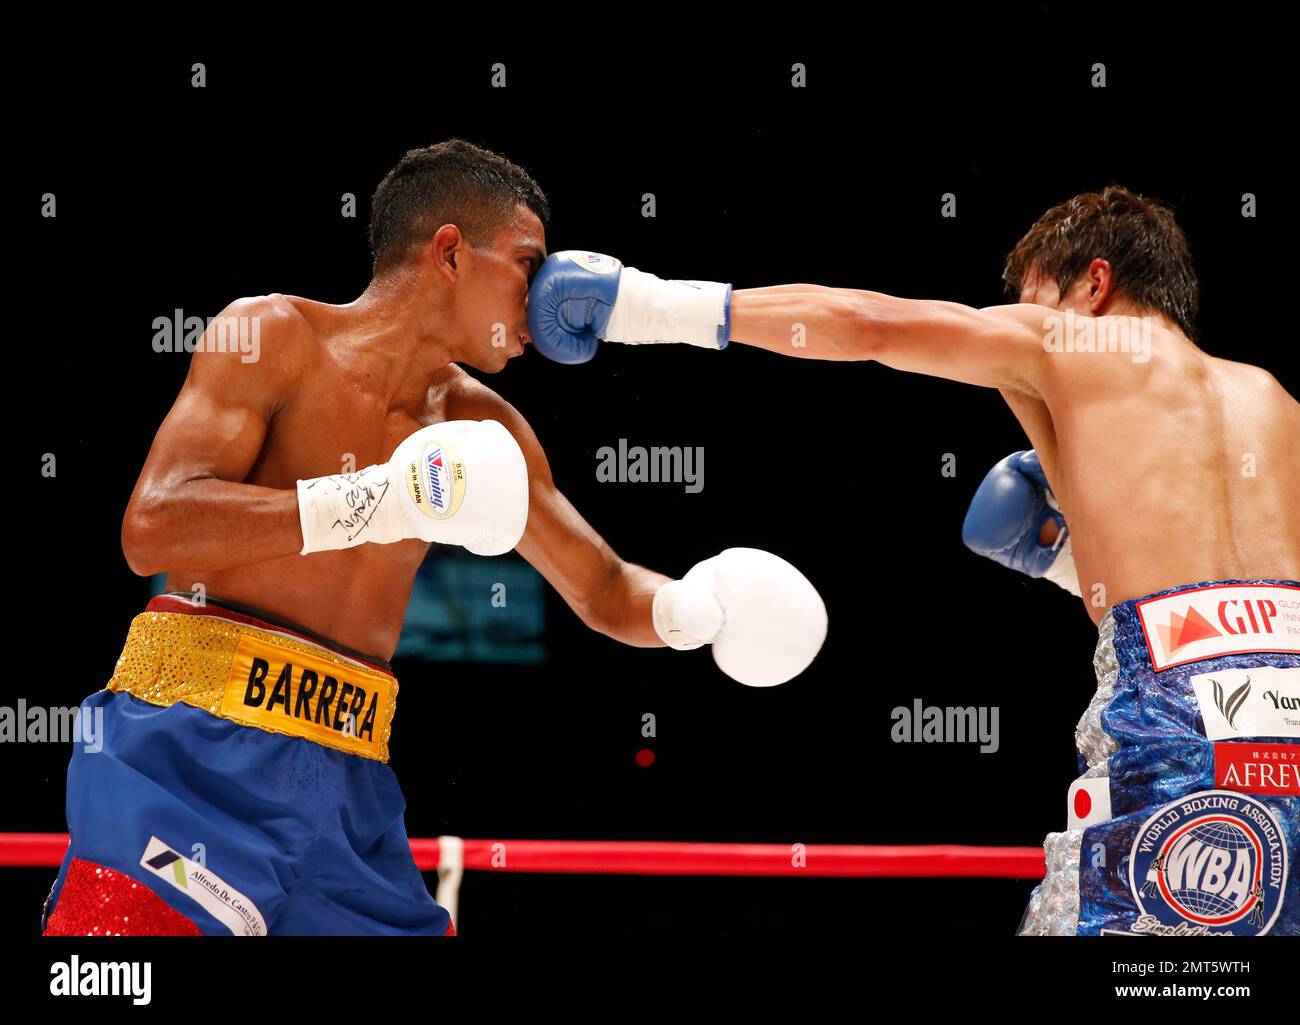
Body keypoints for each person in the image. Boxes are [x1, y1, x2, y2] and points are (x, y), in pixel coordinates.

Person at [41, 140, 827, 936]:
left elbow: (604, 588)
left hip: (349, 788)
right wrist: (377, 499)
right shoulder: (273, 336)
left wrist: (695, 610)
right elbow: (152, 528)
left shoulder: (484, 425)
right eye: (529, 262)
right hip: (191, 754)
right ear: (449, 252)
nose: (545, 297)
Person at [527, 185, 1300, 935]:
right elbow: (1234, 614)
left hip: (1171, 742)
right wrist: (1070, 566)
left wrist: (644, 305)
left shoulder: (1073, 342)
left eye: (1032, 300)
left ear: (1094, 283)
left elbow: (867, 324)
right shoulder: (1273, 401)